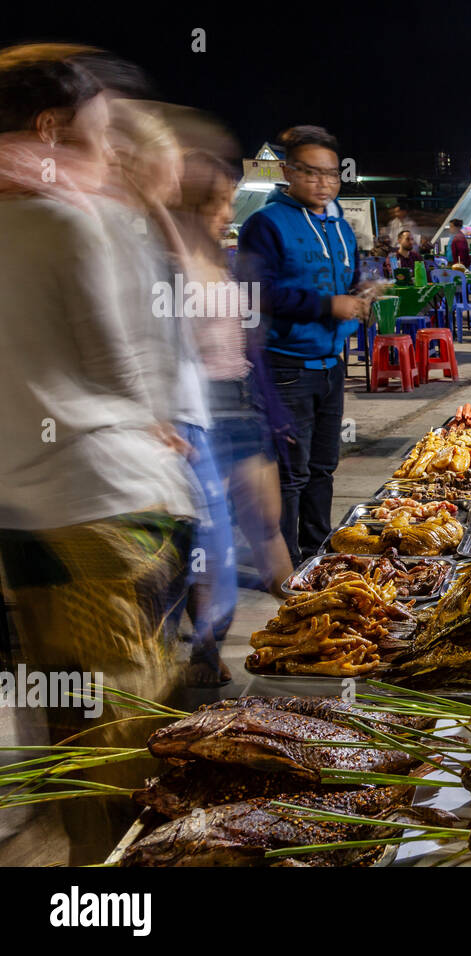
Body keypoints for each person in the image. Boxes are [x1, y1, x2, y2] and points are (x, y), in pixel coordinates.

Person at [0, 44, 196, 863]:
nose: (110, 151)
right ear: (52, 126)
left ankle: (87, 886)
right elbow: (116, 361)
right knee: (127, 731)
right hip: (103, 513)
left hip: (22, 522)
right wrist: (157, 422)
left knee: (65, 720)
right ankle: (121, 886)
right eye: (98, 132)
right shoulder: (60, 219)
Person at [109, 100, 238, 688]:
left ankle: (196, 656)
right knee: (181, 560)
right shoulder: (118, 234)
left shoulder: (157, 238)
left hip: (188, 420)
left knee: (205, 555)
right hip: (167, 427)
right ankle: (166, 675)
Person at [172, 149, 295, 606]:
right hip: (197, 409)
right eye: (216, 204)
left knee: (265, 521)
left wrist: (274, 413)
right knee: (209, 537)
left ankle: (308, 616)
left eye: (230, 201)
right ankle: (206, 650)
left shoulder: (225, 263)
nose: (227, 214)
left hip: (242, 402)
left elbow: (250, 346)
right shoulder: (167, 268)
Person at [237, 125, 362, 566]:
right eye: (310, 172)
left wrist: (361, 296)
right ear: (288, 170)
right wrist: (328, 305)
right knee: (292, 472)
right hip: (287, 364)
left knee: (325, 466)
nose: (322, 182)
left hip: (331, 364)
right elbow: (256, 292)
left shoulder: (338, 223)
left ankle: (317, 547)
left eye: (331, 174)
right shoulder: (266, 224)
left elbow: (348, 279)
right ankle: (287, 562)